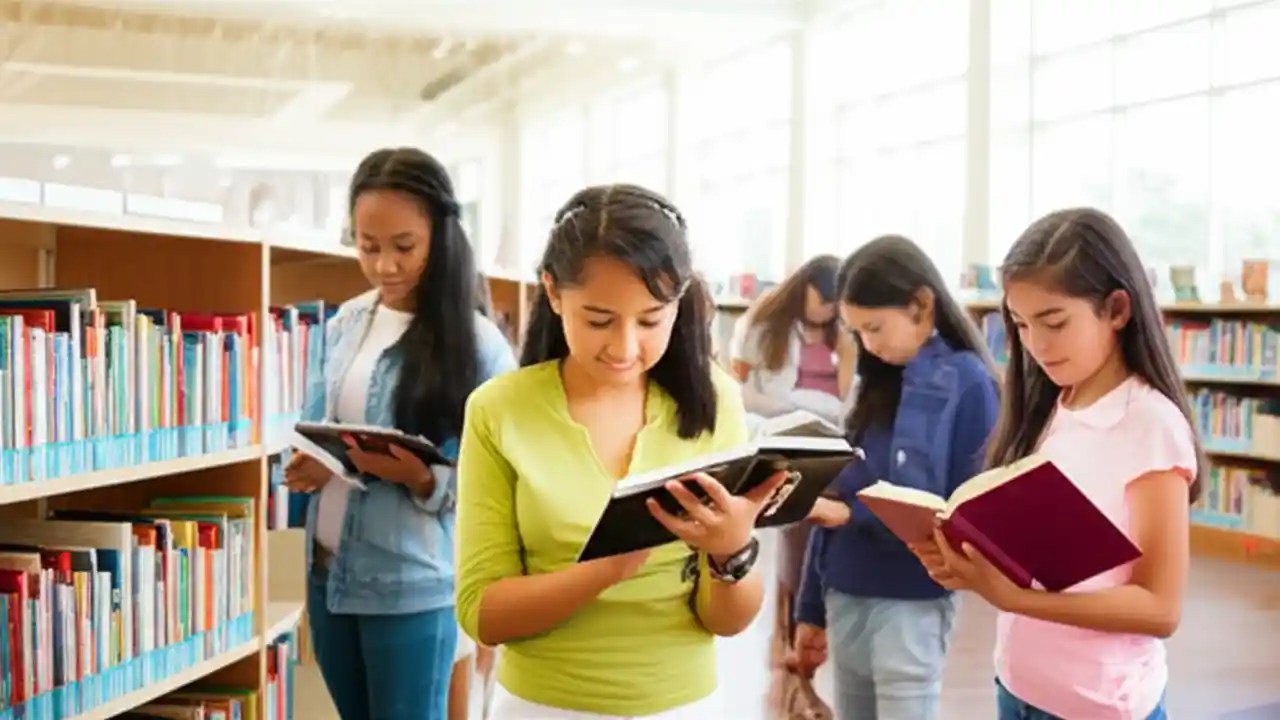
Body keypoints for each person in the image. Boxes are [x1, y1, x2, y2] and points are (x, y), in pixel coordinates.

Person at [454, 183, 787, 719]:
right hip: (542, 704)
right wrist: (606, 569)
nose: (625, 347)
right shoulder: (499, 410)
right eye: (599, 320)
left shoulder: (714, 402)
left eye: (652, 320)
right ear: (554, 293)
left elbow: (725, 621)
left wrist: (732, 552)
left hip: (682, 704)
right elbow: (482, 614)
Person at [914, 208, 1205, 720]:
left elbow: (1160, 609)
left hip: (1099, 705)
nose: (1035, 345)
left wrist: (1014, 599)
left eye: (1054, 322)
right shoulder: (1049, 406)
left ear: (1116, 309)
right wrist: (969, 563)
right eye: (1021, 324)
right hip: (1020, 686)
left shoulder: (1149, 424)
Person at [284, 147, 516, 720]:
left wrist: (417, 476)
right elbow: (316, 424)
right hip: (328, 575)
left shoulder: (479, 345)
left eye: (403, 247)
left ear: (440, 235)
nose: (384, 265)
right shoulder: (347, 322)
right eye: (368, 246)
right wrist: (310, 462)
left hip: (411, 585)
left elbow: (499, 487)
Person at [792, 235, 1001, 720]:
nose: (868, 344)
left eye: (875, 327)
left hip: (913, 598)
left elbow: (957, 511)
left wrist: (850, 514)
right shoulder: (873, 386)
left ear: (922, 306)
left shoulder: (968, 383)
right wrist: (808, 609)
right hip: (845, 590)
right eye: (857, 332)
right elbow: (836, 492)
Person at [729, 254, 856, 423]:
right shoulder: (768, 324)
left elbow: (848, 400)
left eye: (834, 307)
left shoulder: (845, 332)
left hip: (831, 421)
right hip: (781, 416)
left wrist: (848, 355)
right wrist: (791, 411)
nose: (827, 311)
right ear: (804, 287)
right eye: (823, 302)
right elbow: (743, 387)